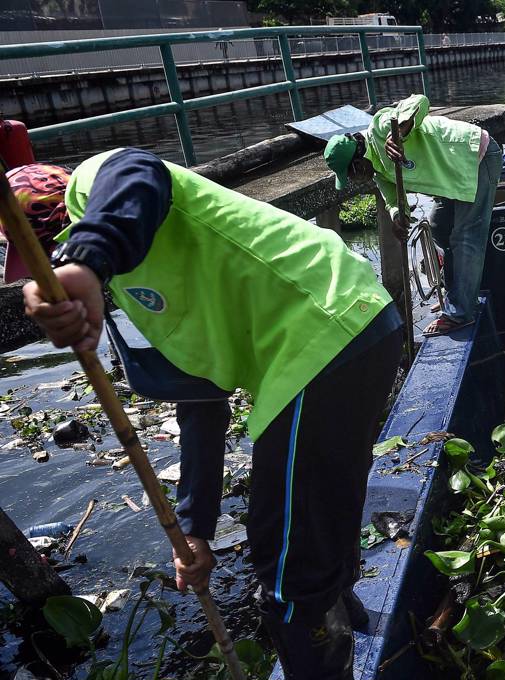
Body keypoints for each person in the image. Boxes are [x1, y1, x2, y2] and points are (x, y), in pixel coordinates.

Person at [14, 149, 403, 680]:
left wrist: (85, 258)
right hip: (350, 325)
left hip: (319, 329)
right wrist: (195, 528)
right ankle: (342, 616)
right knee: (319, 510)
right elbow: (200, 404)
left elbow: (136, 171)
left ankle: (321, 662)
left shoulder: (92, 186)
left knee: (287, 559)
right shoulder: (131, 286)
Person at [325, 93, 503, 336]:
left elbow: (420, 101)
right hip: (449, 178)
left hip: (474, 156)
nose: (355, 181)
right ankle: (456, 296)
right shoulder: (378, 171)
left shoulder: (379, 127)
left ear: (357, 163)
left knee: (466, 237)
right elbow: (393, 200)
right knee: (439, 229)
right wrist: (398, 216)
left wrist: (399, 131)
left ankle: (459, 313)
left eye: (352, 175)